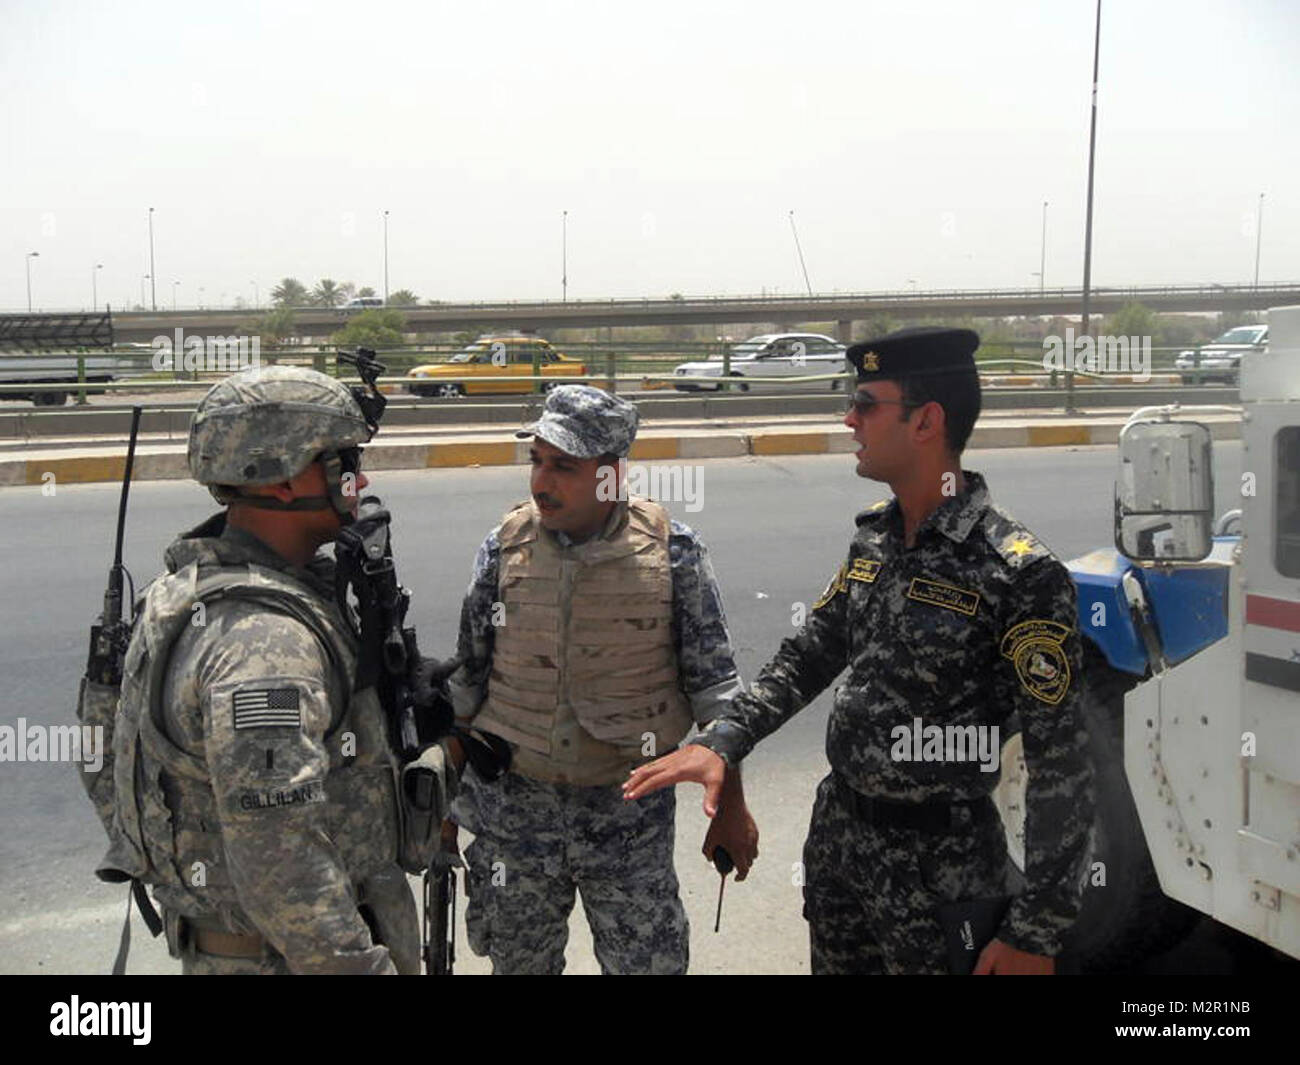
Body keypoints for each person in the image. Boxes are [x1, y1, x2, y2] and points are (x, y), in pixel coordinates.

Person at [624, 327, 1094, 975]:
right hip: (844, 846)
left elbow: (1062, 764)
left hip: (944, 870)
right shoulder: (875, 541)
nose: (849, 418)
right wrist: (726, 738)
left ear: (926, 420)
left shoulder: (1019, 572)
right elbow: (808, 655)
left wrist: (1037, 931)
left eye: (867, 403)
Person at [91, 366, 421, 974]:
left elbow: (100, 765)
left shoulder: (182, 592)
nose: (361, 479)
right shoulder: (262, 639)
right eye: (344, 462)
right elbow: (279, 857)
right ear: (287, 477)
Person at [447, 384, 757, 974]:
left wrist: (731, 807)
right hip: (515, 811)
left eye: (564, 465)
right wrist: (443, 804)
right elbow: (468, 681)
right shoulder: (502, 547)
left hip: (627, 814)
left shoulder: (674, 554)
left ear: (612, 474)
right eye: (537, 461)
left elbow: (718, 693)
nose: (542, 482)